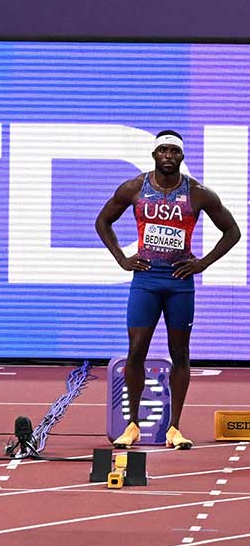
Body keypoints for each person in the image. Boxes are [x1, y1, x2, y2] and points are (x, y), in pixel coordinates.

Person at [96, 130, 240, 450]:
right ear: (154, 155)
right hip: (146, 280)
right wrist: (122, 258)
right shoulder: (135, 187)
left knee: (180, 353)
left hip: (179, 282)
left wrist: (202, 263)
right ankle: (132, 424)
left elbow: (232, 231)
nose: (169, 156)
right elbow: (103, 221)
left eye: (174, 152)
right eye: (163, 151)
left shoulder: (198, 193)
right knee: (136, 350)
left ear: (182, 157)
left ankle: (174, 427)